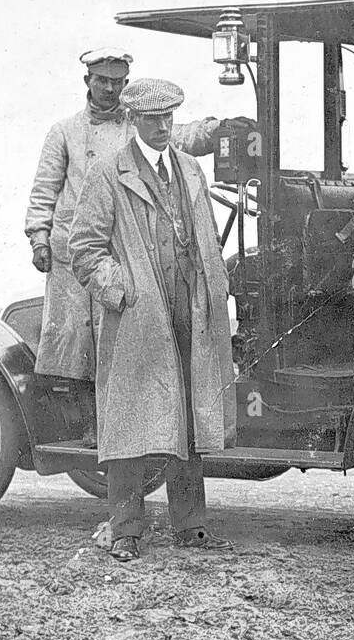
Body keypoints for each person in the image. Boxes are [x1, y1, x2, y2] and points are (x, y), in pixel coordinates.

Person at [68, 78, 237, 561]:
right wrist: (123, 292)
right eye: (154, 118)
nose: (164, 126)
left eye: (170, 116)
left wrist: (217, 294)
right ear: (133, 120)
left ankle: (192, 526)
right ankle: (125, 530)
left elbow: (207, 241)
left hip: (191, 311)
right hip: (138, 319)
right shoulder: (107, 173)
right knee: (128, 425)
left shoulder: (189, 170)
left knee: (189, 417)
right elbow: (83, 249)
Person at [24, 48, 220, 443]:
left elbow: (182, 135)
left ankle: (129, 424)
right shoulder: (65, 132)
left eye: (117, 82)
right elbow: (44, 188)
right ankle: (90, 427)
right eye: (103, 81)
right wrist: (38, 236)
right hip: (76, 256)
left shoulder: (139, 125)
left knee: (124, 344)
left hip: (129, 252)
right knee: (79, 347)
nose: (110, 89)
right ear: (88, 83)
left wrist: (221, 128)